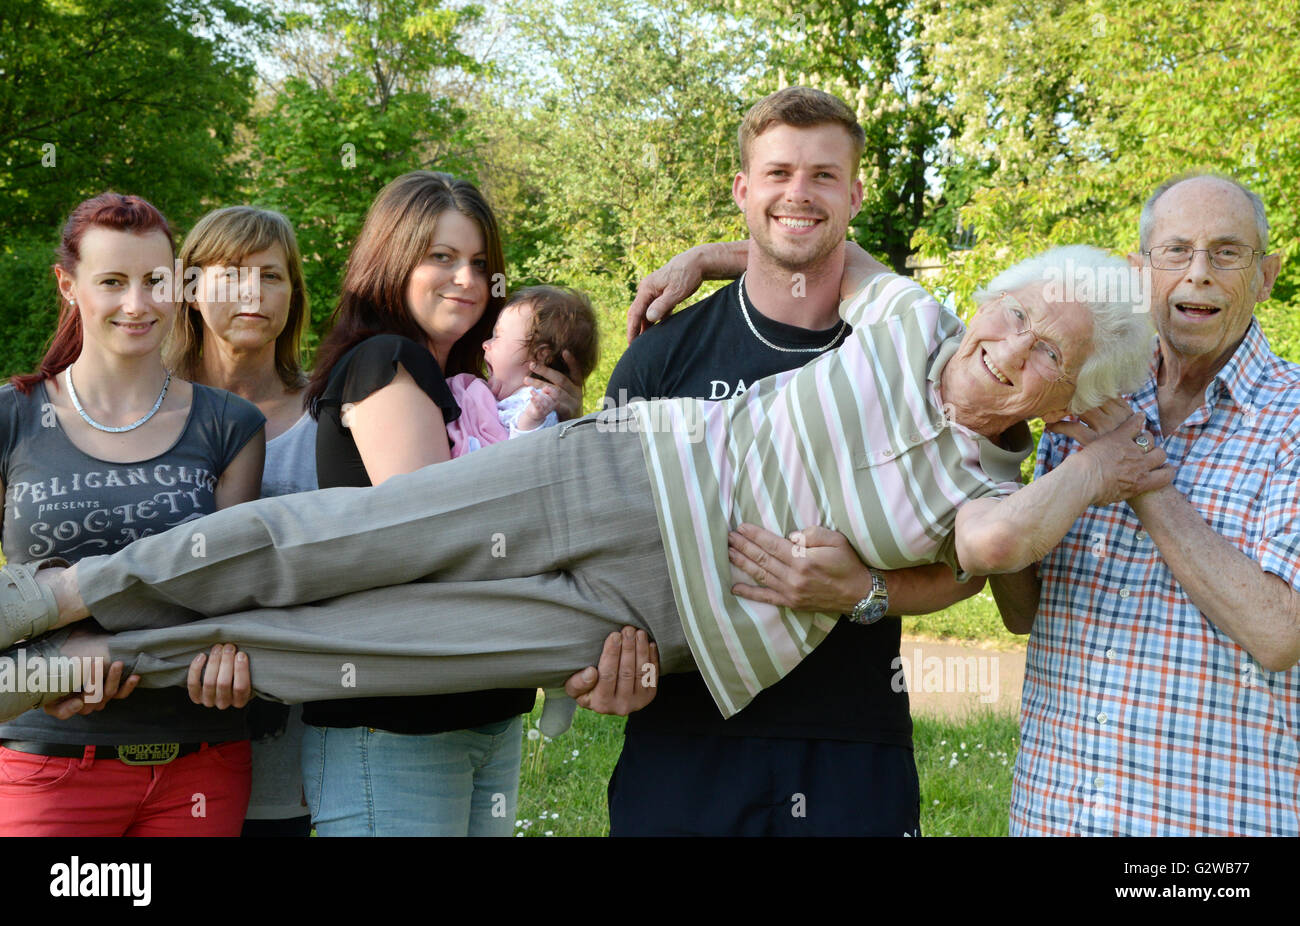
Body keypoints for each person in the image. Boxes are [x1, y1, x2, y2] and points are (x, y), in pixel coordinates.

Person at [1, 214, 1167, 730]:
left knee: (376, 650)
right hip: (610, 475)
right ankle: (56, 592)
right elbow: (814, 246)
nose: (1005, 347)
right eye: (1012, 311)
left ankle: (88, 658)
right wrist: (707, 254)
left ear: (1065, 392)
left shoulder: (1001, 492)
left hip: (655, 617)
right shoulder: (909, 315)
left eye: (1045, 354)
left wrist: (1101, 460)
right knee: (331, 537)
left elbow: (995, 556)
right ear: (989, 295)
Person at [563, 86, 996, 836]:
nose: (800, 192)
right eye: (777, 174)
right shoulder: (663, 354)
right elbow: (598, 546)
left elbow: (970, 565)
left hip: (852, 748)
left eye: (824, 175)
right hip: (681, 745)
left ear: (856, 193)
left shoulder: (912, 358)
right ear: (741, 189)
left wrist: (866, 591)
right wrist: (599, 665)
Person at [992, 173, 1300, 836]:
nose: (1199, 274)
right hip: (1054, 817)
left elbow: (1281, 634)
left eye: (1226, 253)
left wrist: (1137, 474)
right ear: (1140, 272)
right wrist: (994, 472)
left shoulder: (1292, 420)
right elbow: (1026, 613)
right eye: (1176, 251)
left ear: (1266, 275)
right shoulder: (1088, 395)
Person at [0, 192, 265, 836]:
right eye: (112, 282)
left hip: (199, 765)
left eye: (155, 281)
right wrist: (58, 661)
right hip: (49, 766)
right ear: (69, 286)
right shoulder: (10, 417)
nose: (138, 304)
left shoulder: (231, 425)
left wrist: (232, 657)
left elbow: (232, 597)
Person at [166, 205, 316, 836]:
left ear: (294, 295)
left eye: (272, 275)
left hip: (296, 754)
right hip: (163, 747)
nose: (255, 292)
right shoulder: (147, 411)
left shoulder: (333, 411)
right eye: (231, 273)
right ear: (191, 290)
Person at [446, 284, 599, 738]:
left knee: (549, 614)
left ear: (538, 357)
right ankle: (553, 683)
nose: (486, 344)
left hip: (531, 533)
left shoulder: (539, 405)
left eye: (497, 336)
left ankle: (560, 686)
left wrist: (530, 424)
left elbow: (526, 464)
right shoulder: (493, 397)